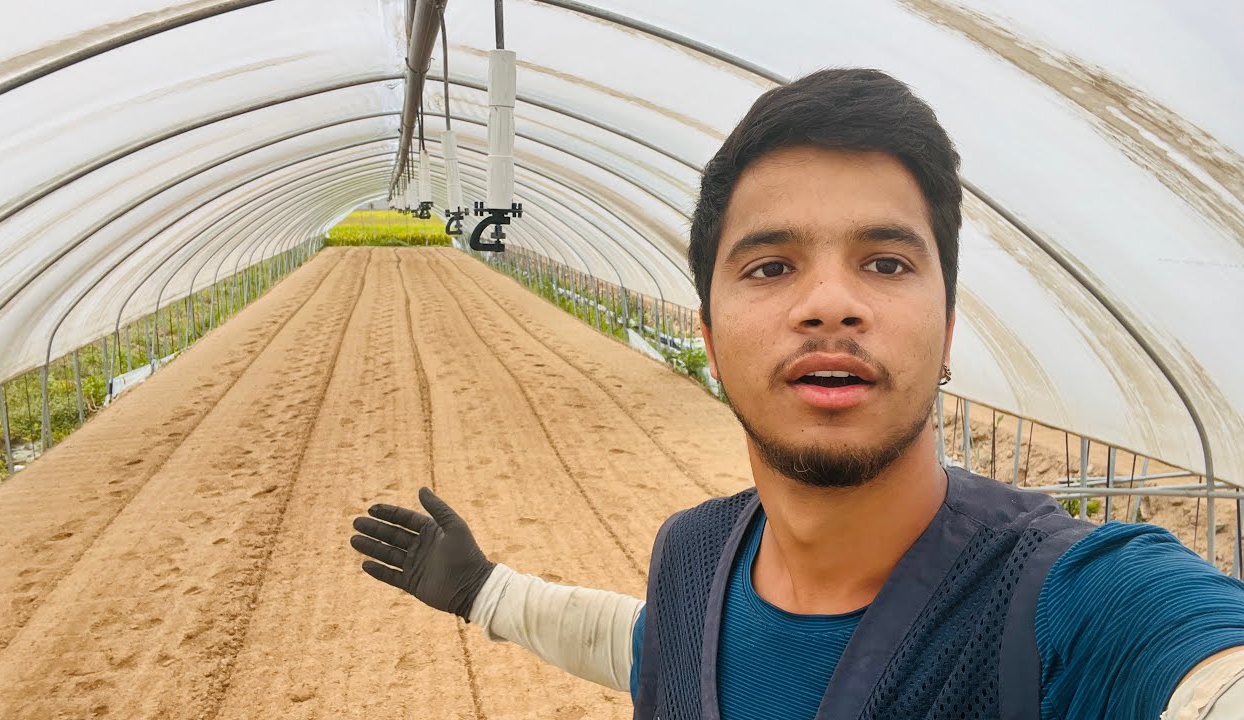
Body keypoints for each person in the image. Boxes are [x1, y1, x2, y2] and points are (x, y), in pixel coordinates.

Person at [349, 68, 1244, 719]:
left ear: (947, 330)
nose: (829, 305)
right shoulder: (694, 553)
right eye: (771, 266)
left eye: (885, 263)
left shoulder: (1071, 598)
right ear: (707, 333)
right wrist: (488, 593)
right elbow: (672, 652)